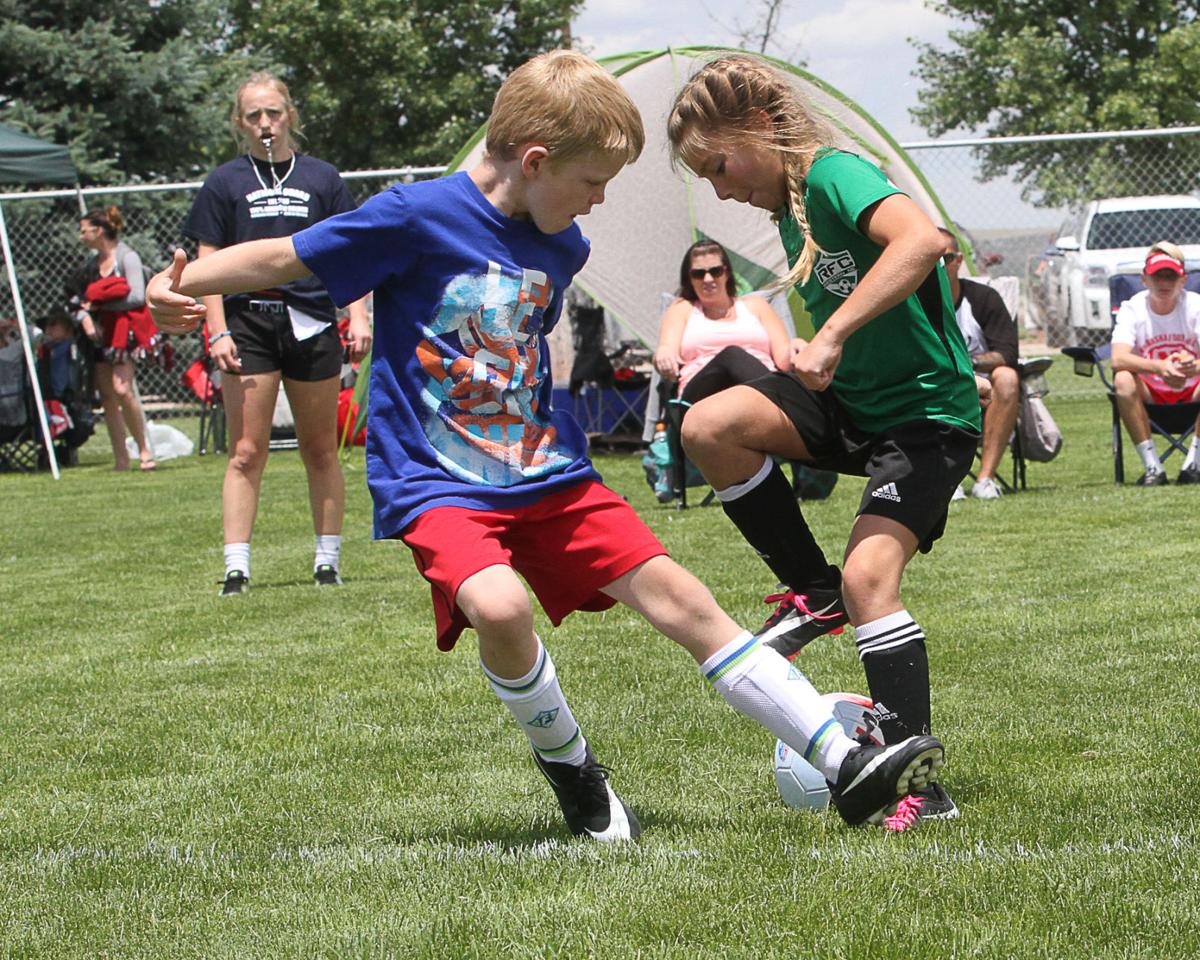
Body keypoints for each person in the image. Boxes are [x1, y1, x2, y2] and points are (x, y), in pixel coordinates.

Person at [148, 50, 947, 839]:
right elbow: (285, 256)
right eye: (593, 182)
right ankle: (572, 767)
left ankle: (848, 761)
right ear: (535, 162)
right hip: (437, 482)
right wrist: (178, 284)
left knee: (686, 601)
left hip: (549, 474)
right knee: (500, 606)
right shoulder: (413, 216)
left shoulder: (562, 245)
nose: (599, 201)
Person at [667, 53, 982, 831]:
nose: (720, 190)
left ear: (761, 126)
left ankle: (919, 785)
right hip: (852, 407)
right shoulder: (792, 208)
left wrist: (833, 332)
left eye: (719, 166)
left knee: (872, 580)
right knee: (706, 425)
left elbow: (923, 241)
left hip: (926, 417)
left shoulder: (836, 173)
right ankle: (814, 589)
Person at [182, 72, 372, 596]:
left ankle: (327, 561)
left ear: (290, 116)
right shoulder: (224, 182)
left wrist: (359, 316)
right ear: (239, 123)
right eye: (253, 116)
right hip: (248, 324)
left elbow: (351, 250)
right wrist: (217, 331)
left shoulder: (321, 177)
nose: (265, 123)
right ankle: (236, 568)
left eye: (273, 113)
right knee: (246, 450)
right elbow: (206, 263)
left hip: (312, 321)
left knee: (321, 447)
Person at [68, 206, 159, 471]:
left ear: (99, 231)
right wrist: (86, 317)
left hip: (122, 333)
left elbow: (137, 296)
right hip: (100, 335)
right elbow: (77, 298)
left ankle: (144, 450)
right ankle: (121, 458)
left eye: (84, 230)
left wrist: (100, 304)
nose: (81, 236)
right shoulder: (91, 264)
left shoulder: (126, 257)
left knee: (122, 389)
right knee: (107, 396)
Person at [654, 239, 791, 405]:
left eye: (716, 271)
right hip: (702, 397)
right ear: (689, 278)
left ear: (727, 273)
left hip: (757, 391)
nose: (708, 279)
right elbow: (666, 348)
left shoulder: (757, 306)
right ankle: (782, 401)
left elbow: (784, 358)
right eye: (698, 274)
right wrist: (663, 356)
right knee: (731, 355)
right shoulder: (682, 309)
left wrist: (797, 348)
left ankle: (779, 400)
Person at [1110, 241, 1200, 486]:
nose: (1163, 283)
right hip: (1150, 393)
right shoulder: (1132, 308)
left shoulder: (1195, 305)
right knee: (1122, 378)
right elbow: (1117, 358)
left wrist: (1193, 367)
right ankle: (1153, 467)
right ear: (1144, 279)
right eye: (1157, 276)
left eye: (1171, 277)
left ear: (1182, 280)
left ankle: (1194, 465)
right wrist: (1160, 367)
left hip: (1193, 392)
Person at [940, 228, 1020, 500]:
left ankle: (985, 479)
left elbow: (1007, 353)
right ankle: (946, 478)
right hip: (939, 386)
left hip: (983, 389)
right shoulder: (913, 302)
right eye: (931, 259)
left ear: (958, 260)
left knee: (1007, 377)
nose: (939, 266)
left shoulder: (983, 298)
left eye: (945, 258)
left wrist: (966, 364)